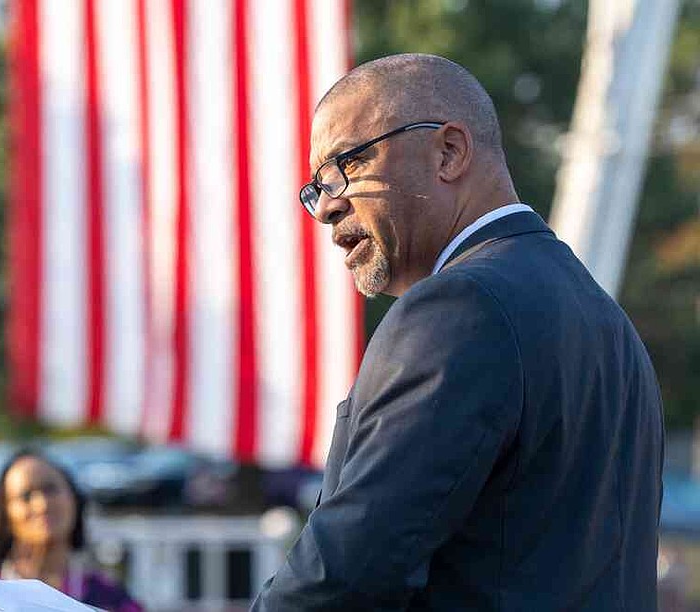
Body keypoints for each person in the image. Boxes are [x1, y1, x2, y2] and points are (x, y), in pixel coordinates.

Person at [252, 53, 664, 610]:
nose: (325, 207)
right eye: (315, 187)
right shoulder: (607, 324)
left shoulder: (459, 307)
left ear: (448, 152)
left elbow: (348, 575)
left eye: (345, 165)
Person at [0, 449, 143, 612]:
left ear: (75, 500)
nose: (42, 505)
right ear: (5, 513)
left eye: (51, 489)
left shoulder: (112, 601)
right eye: (26, 496)